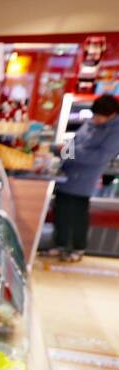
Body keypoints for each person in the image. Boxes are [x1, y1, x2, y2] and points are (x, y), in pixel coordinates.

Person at [47, 94, 119, 262]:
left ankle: (77, 248)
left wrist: (69, 152)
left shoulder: (115, 131)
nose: (96, 119)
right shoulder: (91, 122)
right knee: (62, 209)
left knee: (77, 213)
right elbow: (76, 140)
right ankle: (60, 245)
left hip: (85, 176)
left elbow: (100, 157)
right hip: (68, 171)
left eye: (100, 116)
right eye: (95, 115)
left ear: (112, 115)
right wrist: (63, 150)